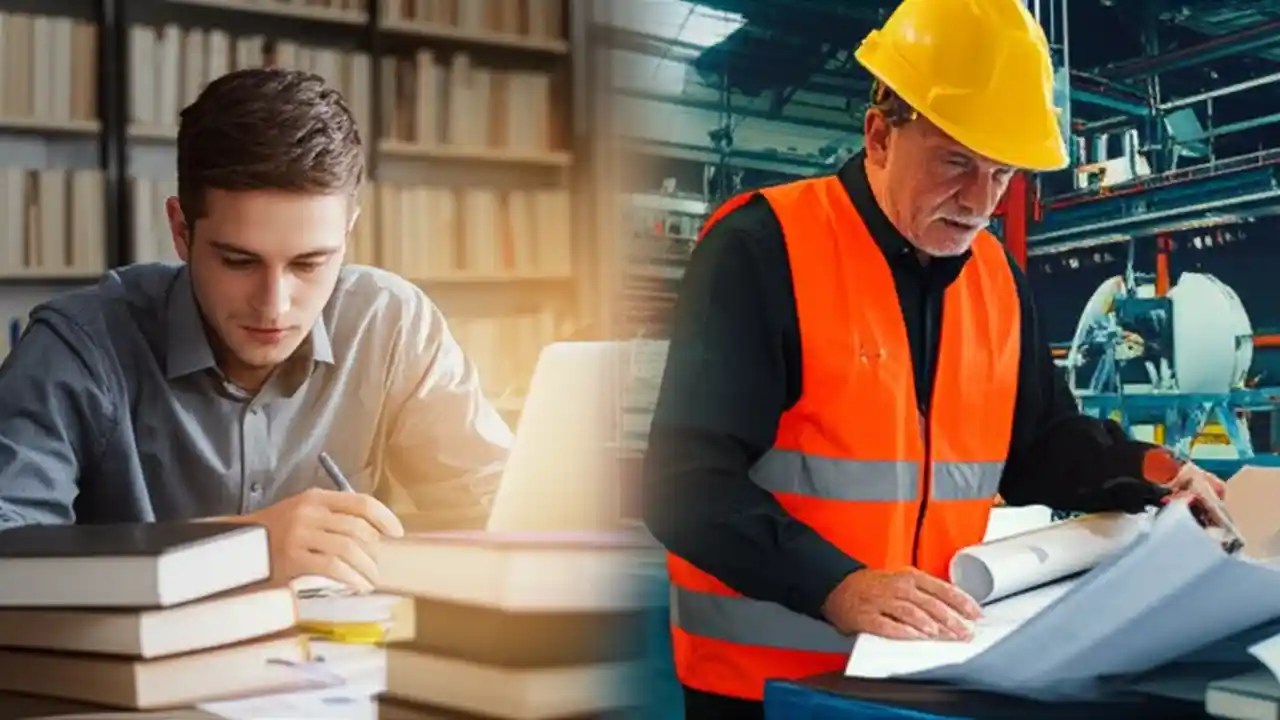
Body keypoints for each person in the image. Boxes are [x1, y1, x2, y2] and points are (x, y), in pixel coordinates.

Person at [640, 0, 1226, 717]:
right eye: (957, 163)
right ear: (880, 135)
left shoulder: (997, 277)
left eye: (1002, 174)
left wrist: (1151, 471)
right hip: (766, 687)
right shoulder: (765, 250)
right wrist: (839, 585)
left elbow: (1041, 445)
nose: (980, 201)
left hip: (925, 672)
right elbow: (684, 484)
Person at [0, 68, 513, 592]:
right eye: (239, 261)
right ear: (181, 231)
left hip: (341, 665)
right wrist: (243, 548)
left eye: (310, 264)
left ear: (348, 233)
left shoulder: (390, 325)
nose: (274, 304)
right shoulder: (79, 346)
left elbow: (506, 513)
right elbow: (8, 553)